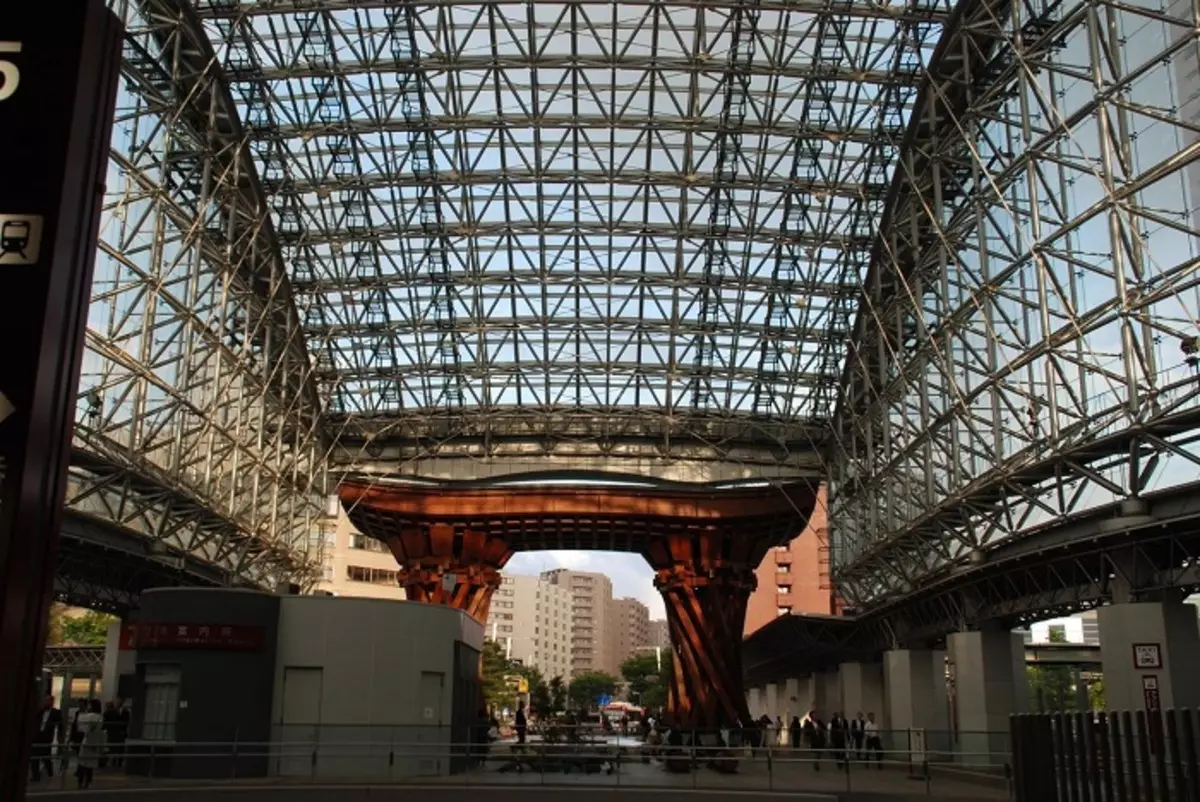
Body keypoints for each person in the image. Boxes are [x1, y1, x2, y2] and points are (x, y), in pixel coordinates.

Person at [30, 694, 63, 783]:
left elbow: (60, 724)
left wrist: (59, 736)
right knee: (34, 757)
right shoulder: (40, 711)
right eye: (45, 700)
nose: (46, 702)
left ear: (52, 702)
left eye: (48, 700)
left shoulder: (56, 712)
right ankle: (35, 776)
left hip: (46, 737)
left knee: (46, 757)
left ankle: (50, 773)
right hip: (37, 736)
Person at [75, 699, 105, 789]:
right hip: (95, 743)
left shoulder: (88, 716)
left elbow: (80, 727)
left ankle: (80, 782)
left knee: (82, 763)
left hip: (87, 741)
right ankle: (88, 782)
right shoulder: (100, 717)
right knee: (90, 765)